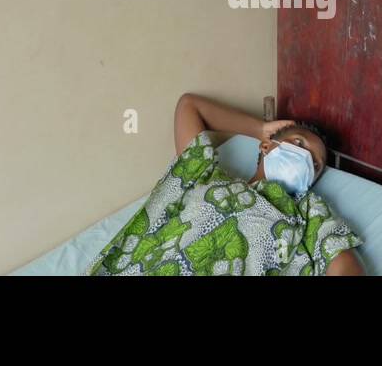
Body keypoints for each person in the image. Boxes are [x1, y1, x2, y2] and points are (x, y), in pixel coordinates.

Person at [86, 93, 365, 276]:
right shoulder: (206, 175)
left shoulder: (305, 211)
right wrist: (260, 128)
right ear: (267, 147)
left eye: (315, 164)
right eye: (298, 144)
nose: (305, 159)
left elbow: (344, 263)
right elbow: (190, 106)